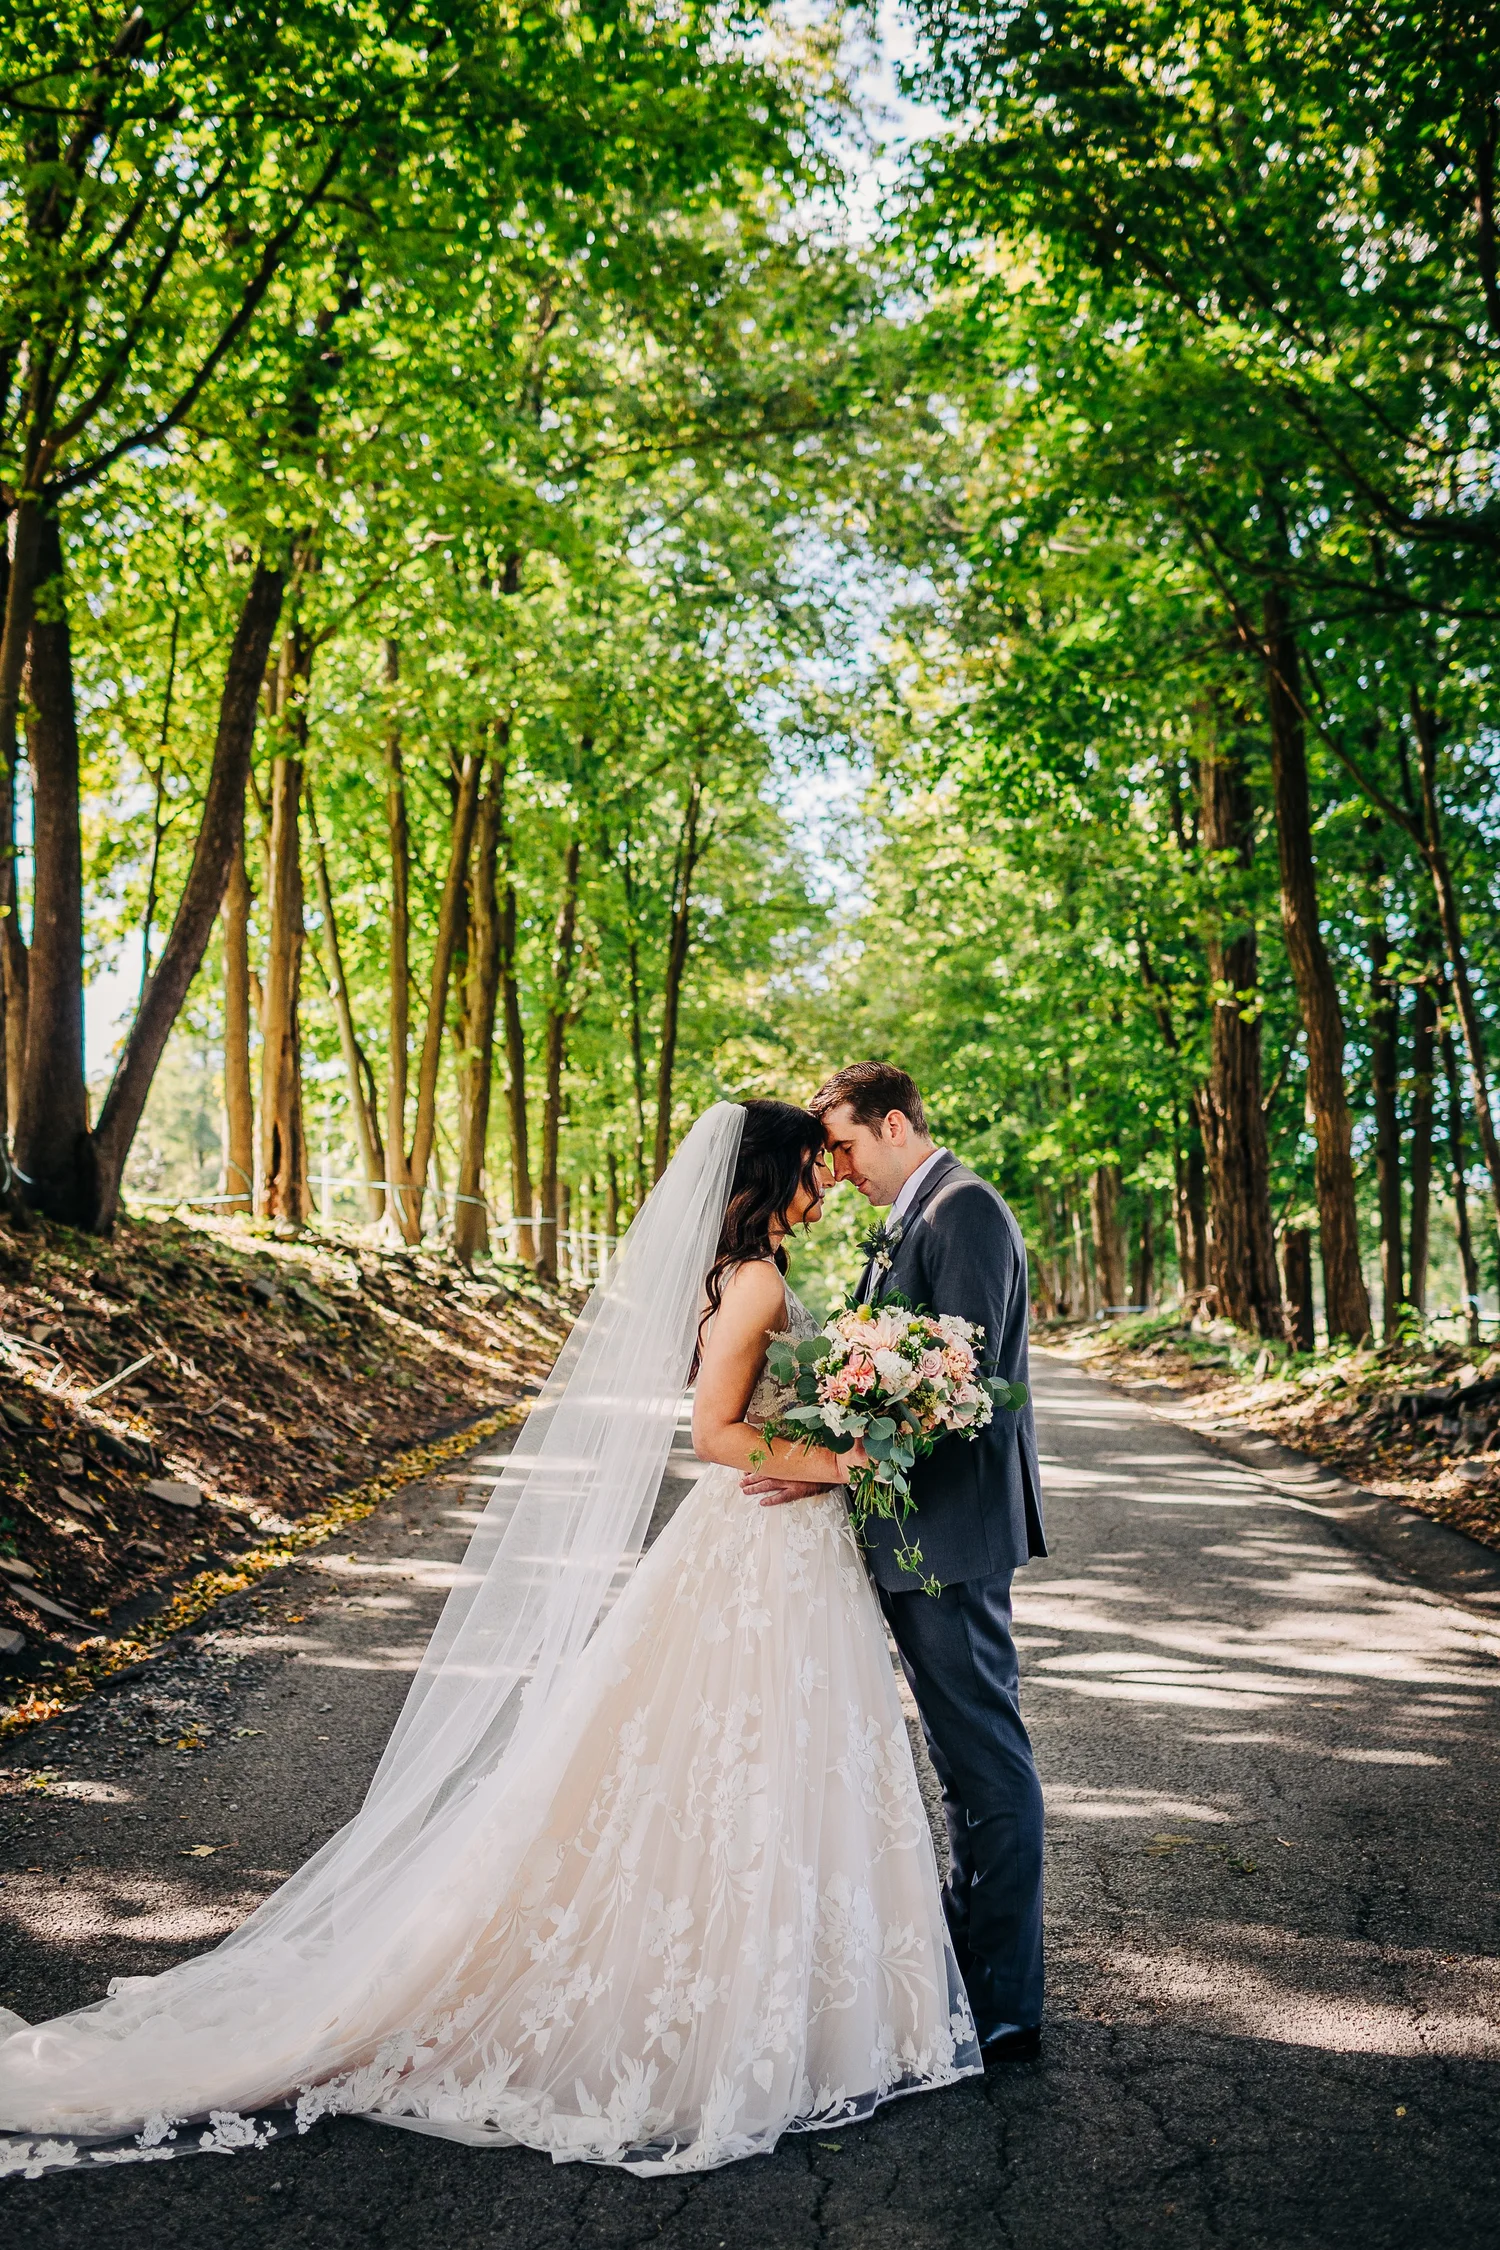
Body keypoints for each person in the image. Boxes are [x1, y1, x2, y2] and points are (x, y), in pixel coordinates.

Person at [0, 1100, 979, 2185]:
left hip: (789, 1550)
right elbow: (713, 1434)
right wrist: (850, 1461)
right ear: (772, 1169)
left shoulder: (758, 1268)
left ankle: (795, 1999)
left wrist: (848, 1432)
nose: (829, 1175)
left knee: (773, 1768)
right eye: (814, 1160)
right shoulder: (751, 1278)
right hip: (756, 1548)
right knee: (734, 1765)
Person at [744, 1063, 1046, 2060]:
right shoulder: (914, 1219)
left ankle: (1002, 2004)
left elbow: (965, 1394)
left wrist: (832, 1470)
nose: (836, 1170)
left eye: (845, 1146)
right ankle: (967, 1972)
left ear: (896, 1126)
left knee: (984, 1764)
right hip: (917, 1537)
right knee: (961, 1766)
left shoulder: (964, 1214)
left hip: (947, 1541)